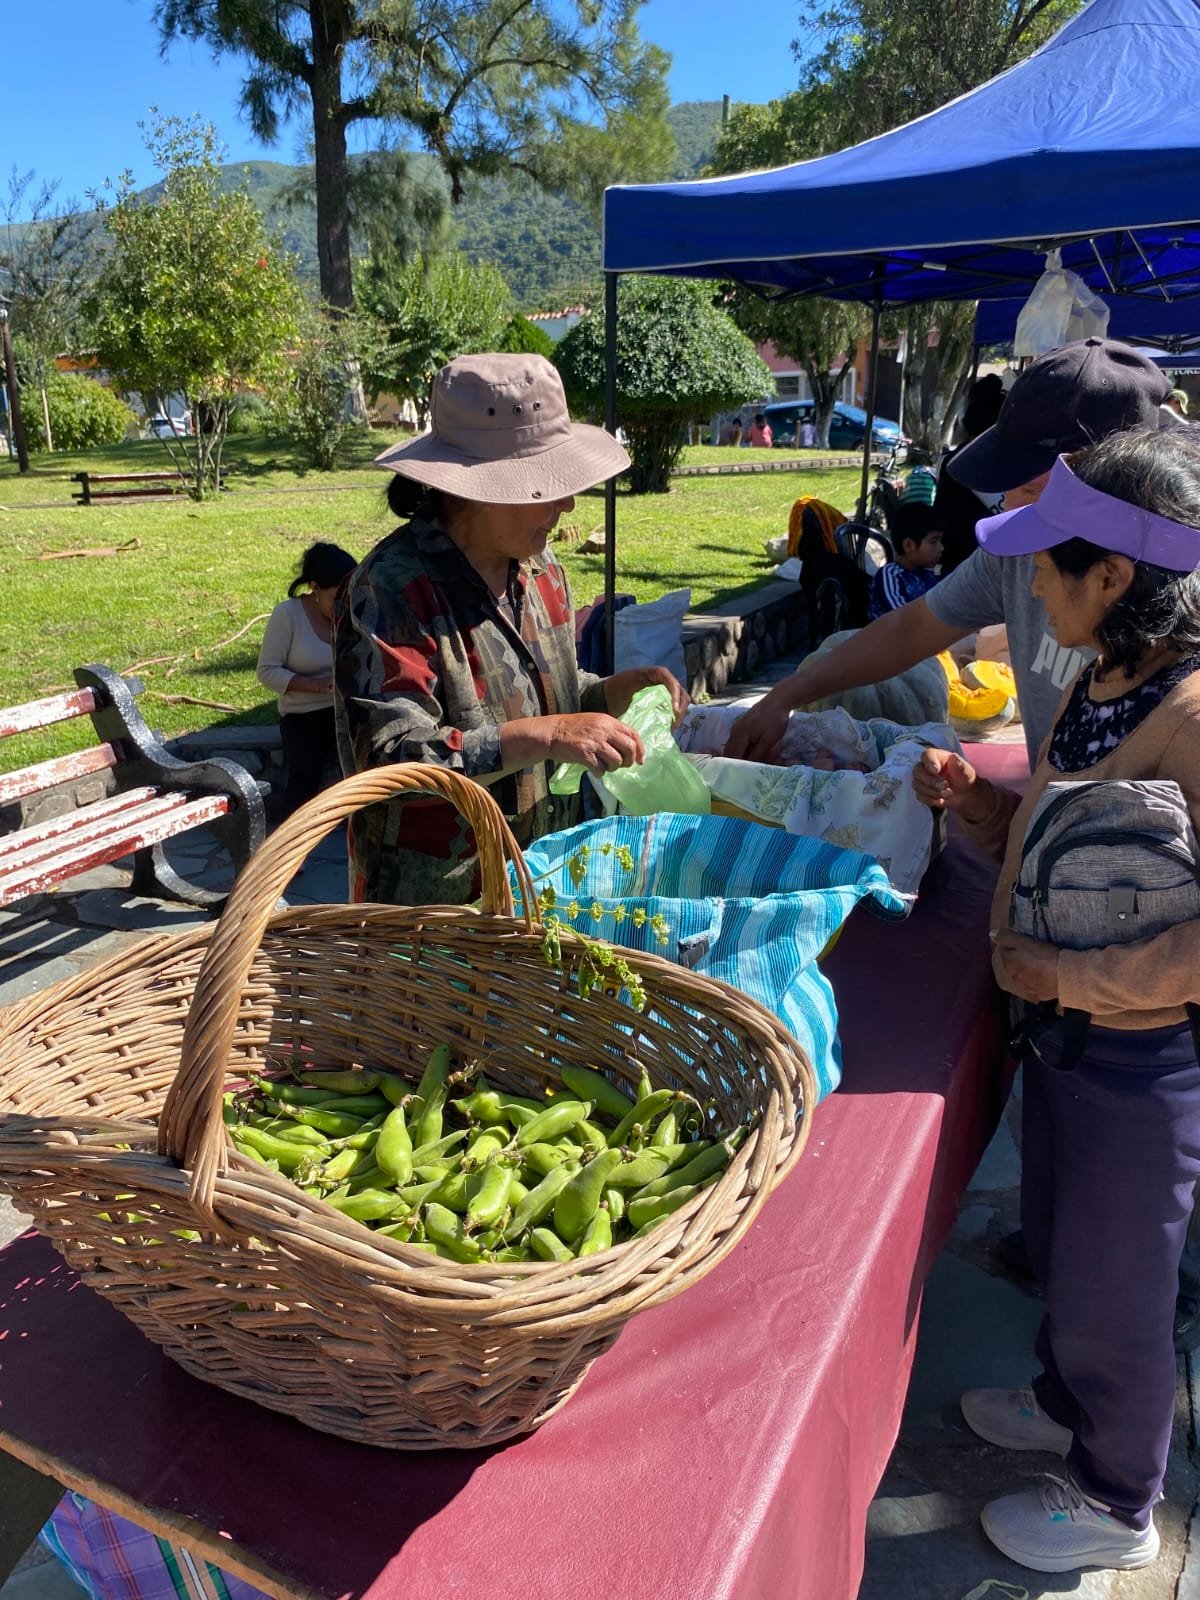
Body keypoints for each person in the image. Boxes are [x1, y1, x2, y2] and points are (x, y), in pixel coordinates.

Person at [912, 428, 1200, 1574]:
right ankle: (1063, 1395)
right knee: (1061, 1243)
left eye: (1048, 564)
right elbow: (1068, 841)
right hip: (1068, 1043)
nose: (1030, 585)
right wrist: (975, 814)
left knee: (1119, 1283)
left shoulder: (1190, 716)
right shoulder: (1103, 676)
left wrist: (1072, 976)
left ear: (1115, 577)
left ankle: (1118, 1493)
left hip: (1140, 1057)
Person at [333, 352, 688, 906]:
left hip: (543, 877)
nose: (568, 504)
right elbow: (391, 763)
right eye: (547, 488)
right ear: (476, 488)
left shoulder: (543, 571)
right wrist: (548, 736)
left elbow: (546, 696)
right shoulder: (392, 589)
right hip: (433, 913)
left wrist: (609, 695)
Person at [725, 339, 1172, 769]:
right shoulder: (1017, 543)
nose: (1012, 506)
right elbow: (912, 628)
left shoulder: (1179, 614)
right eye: (1009, 484)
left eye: (1033, 488)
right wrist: (783, 697)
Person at [256, 542, 358, 820]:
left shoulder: (352, 614)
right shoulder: (288, 615)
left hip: (345, 710)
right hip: (304, 714)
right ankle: (286, 848)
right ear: (314, 588)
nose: (341, 607)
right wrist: (320, 685)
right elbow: (266, 671)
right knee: (304, 783)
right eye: (335, 598)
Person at [933, 373, 1006, 574]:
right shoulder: (1014, 463)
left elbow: (941, 516)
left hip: (959, 566)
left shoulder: (956, 460)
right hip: (998, 565)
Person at [868, 504, 943, 620]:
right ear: (909, 545)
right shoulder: (891, 575)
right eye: (933, 542)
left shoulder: (928, 574)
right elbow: (901, 618)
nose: (941, 548)